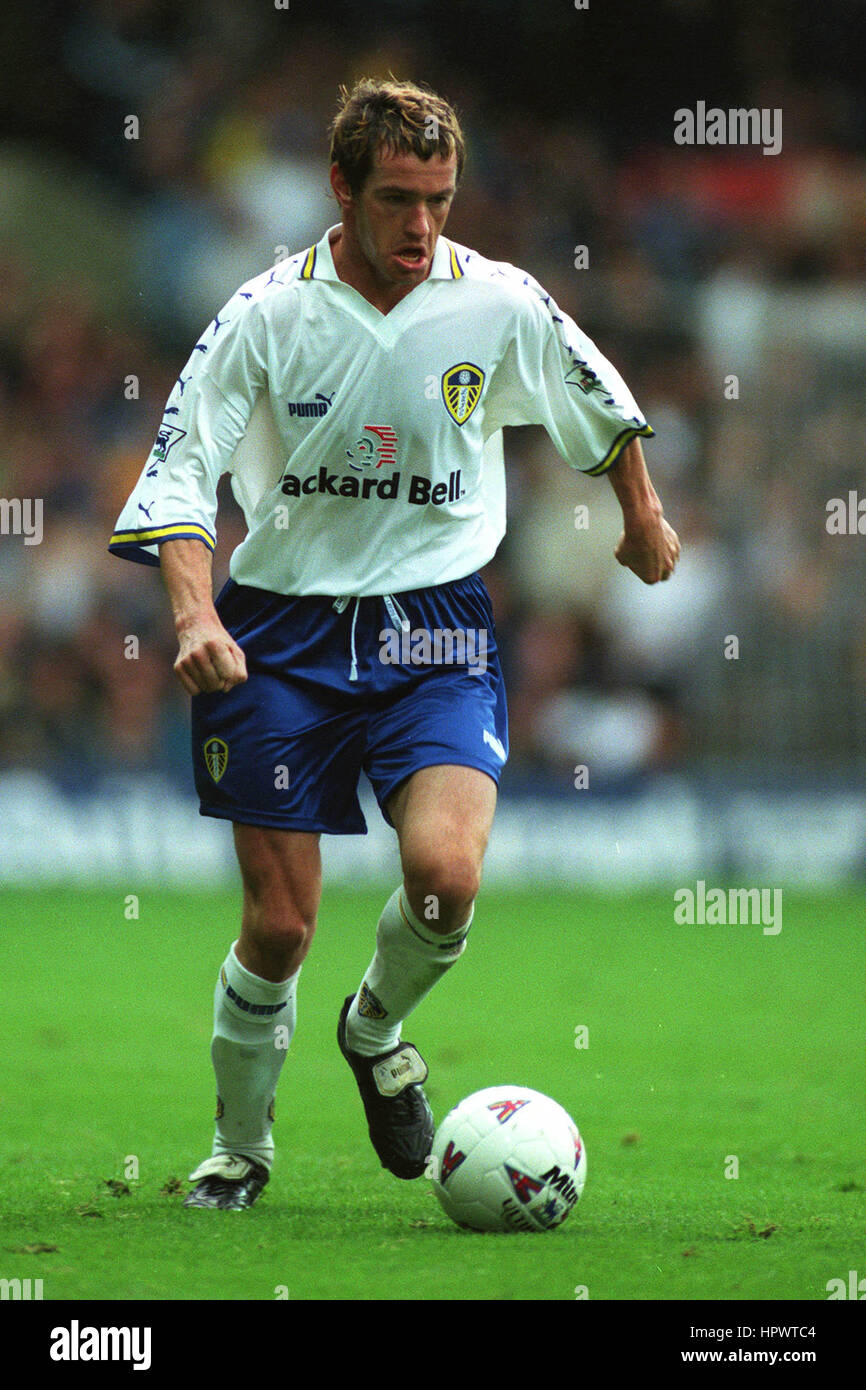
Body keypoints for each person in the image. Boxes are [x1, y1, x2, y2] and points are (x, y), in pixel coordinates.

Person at [109, 77, 680, 1210]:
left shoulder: (499, 302)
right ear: (339, 189)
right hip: (276, 631)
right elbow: (181, 469)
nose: (420, 225)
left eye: (439, 197)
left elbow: (597, 401)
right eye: (395, 199)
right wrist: (192, 613)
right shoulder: (266, 313)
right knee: (278, 926)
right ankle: (241, 1151)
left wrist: (643, 513)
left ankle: (372, 1029)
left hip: (437, 629)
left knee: (445, 876)